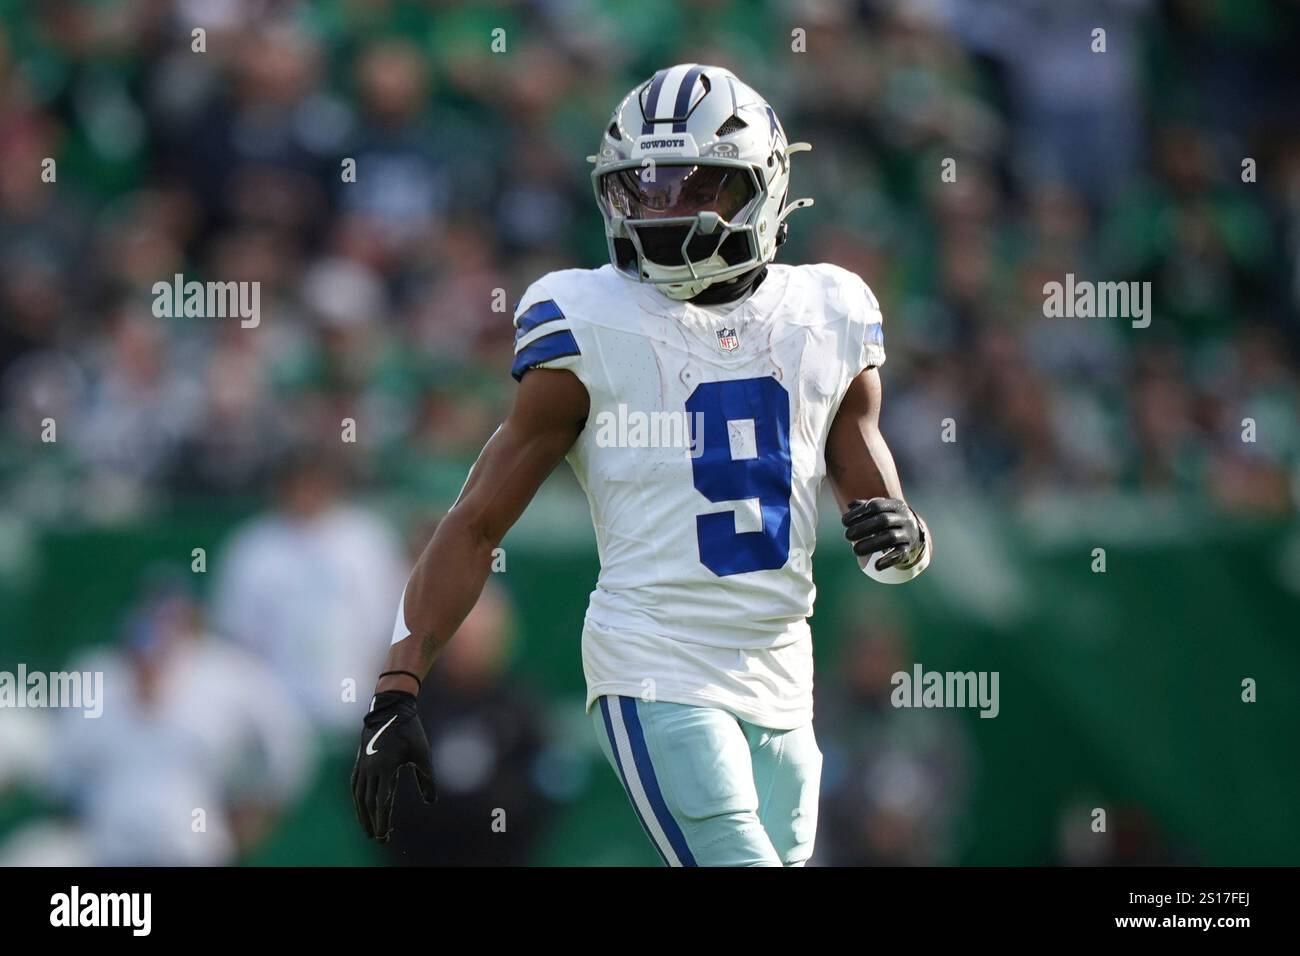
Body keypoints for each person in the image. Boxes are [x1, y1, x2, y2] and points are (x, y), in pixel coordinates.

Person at [352, 64, 934, 867]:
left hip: (781, 670)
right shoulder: (588, 319)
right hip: (655, 661)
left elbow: (879, 522)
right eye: (646, 188)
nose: (664, 211)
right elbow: (476, 520)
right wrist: (398, 685)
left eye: (696, 187)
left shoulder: (827, 310)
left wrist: (908, 541)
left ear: (761, 187)